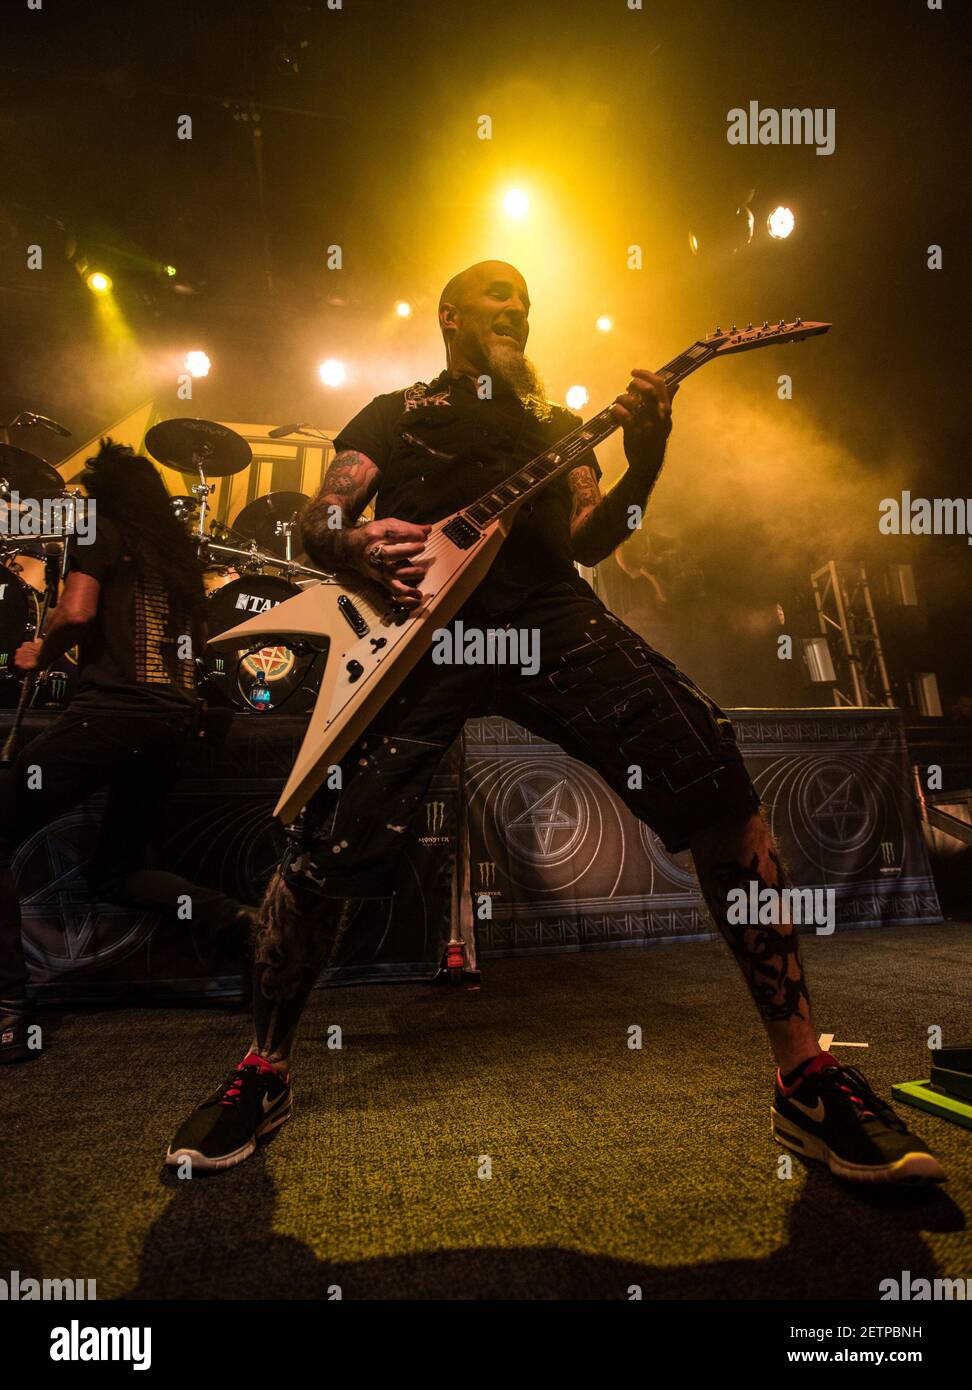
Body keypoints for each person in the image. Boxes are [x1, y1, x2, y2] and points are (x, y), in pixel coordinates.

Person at [167, 262, 944, 1184]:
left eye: (528, 301)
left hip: (549, 618)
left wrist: (646, 456)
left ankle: (804, 1079)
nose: (519, 309)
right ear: (449, 315)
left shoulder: (556, 429)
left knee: (717, 786)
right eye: (499, 295)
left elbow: (594, 537)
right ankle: (265, 1068)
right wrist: (345, 542)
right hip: (415, 638)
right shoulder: (395, 412)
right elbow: (322, 515)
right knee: (320, 847)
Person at [0, 440, 252, 1064]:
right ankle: (249, 925)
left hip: (111, 717)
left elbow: (78, 611)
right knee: (115, 868)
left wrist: (41, 652)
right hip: (170, 725)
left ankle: (6, 1009)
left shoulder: (97, 528)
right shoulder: (177, 558)